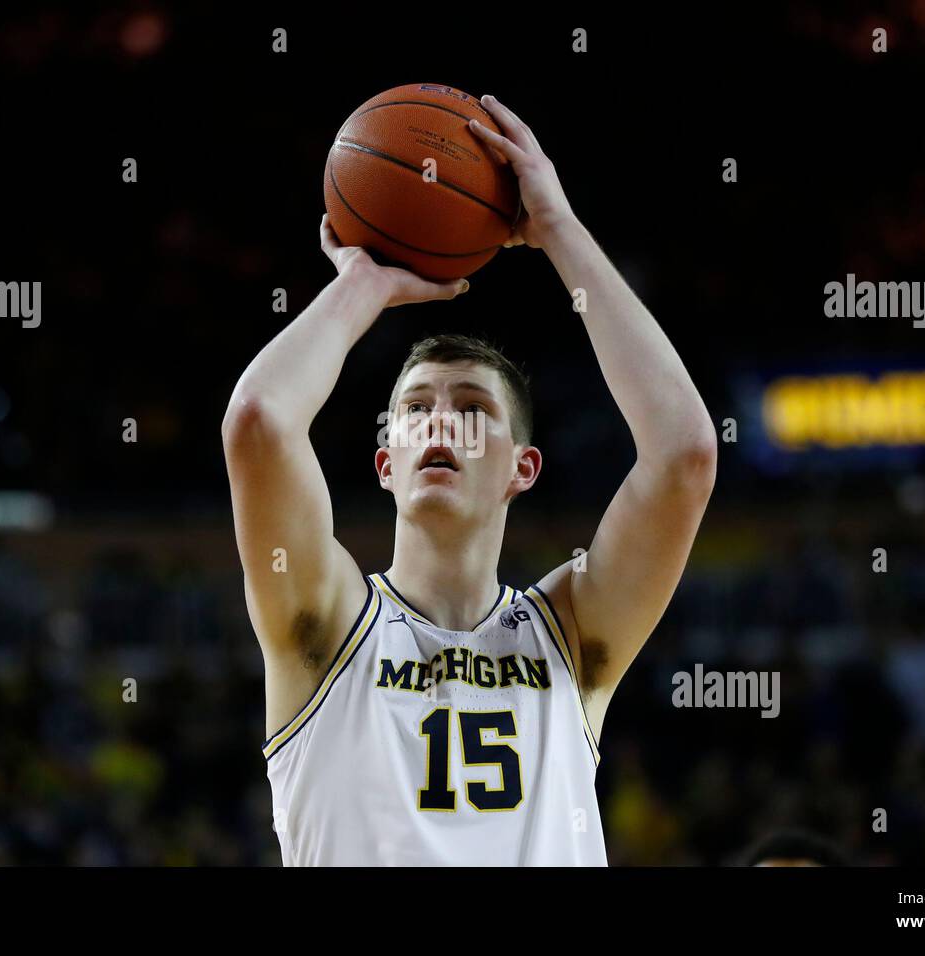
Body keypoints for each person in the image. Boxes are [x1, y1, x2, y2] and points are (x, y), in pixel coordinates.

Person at [223, 93, 716, 865]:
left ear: (524, 468)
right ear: (386, 463)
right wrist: (362, 286)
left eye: (473, 407)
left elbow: (685, 454)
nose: (441, 422)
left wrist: (558, 229)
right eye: (415, 408)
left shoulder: (574, 636)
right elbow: (258, 422)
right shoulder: (322, 624)